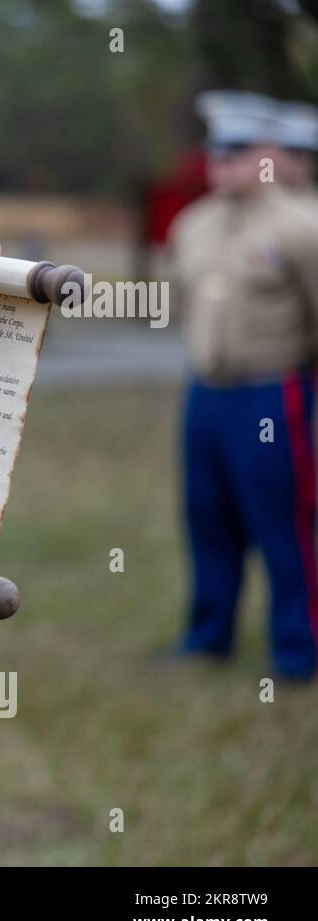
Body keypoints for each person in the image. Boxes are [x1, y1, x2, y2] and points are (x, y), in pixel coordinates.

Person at [170, 90, 318, 682]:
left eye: (237, 151)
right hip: (206, 393)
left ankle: (298, 650)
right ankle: (209, 637)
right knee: (207, 516)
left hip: (271, 392)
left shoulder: (301, 226)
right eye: (216, 149)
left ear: (266, 154)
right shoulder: (194, 223)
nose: (222, 162)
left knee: (282, 521)